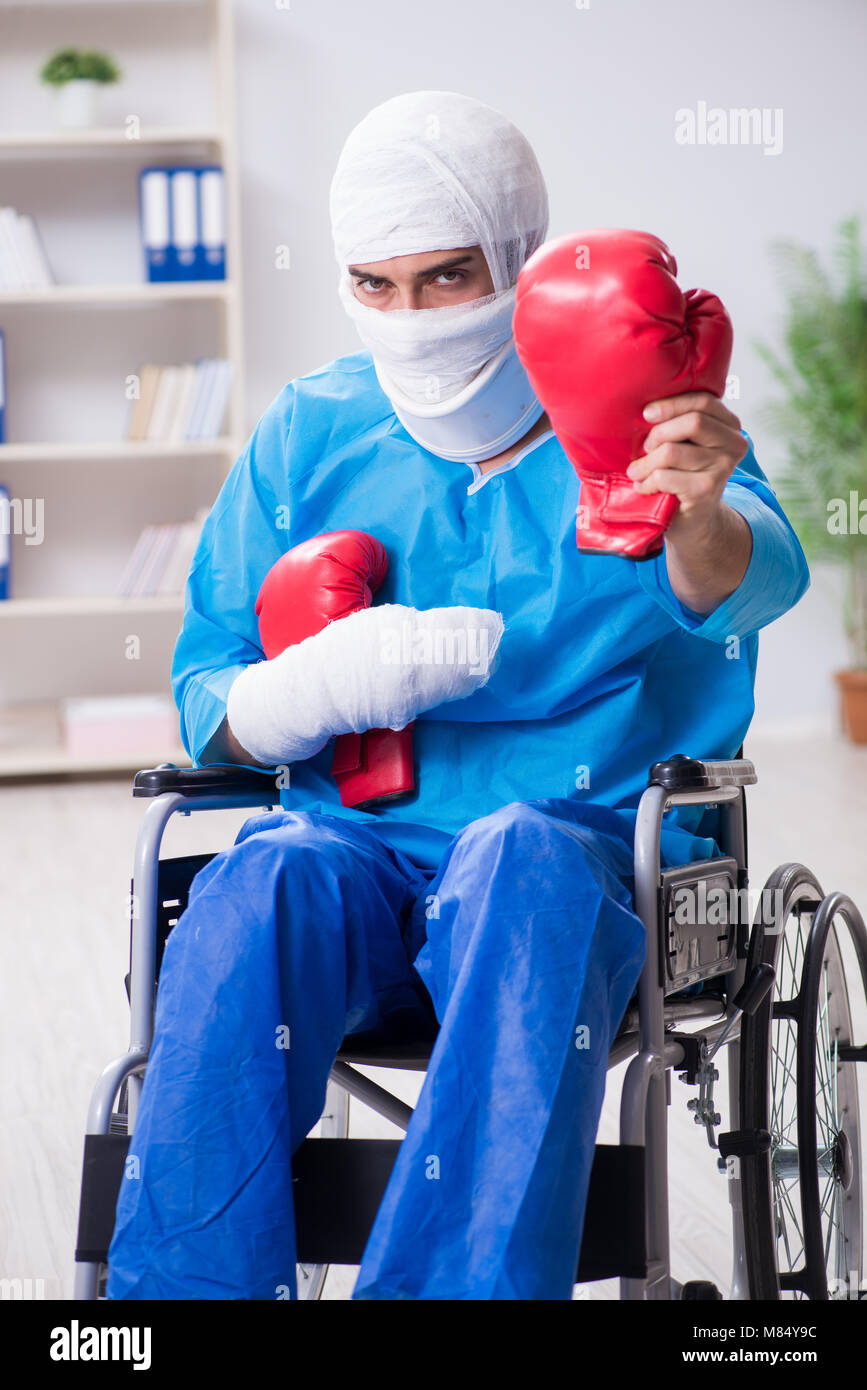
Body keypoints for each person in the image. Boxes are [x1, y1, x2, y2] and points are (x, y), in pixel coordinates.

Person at [106, 90, 809, 1300]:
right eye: (375, 285)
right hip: (358, 862)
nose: (413, 317)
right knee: (261, 874)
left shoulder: (635, 420)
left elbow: (748, 574)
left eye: (446, 277)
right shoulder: (313, 430)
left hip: (578, 867)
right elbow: (205, 688)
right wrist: (306, 691)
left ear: (522, 261)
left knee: (520, 857)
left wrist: (692, 508)